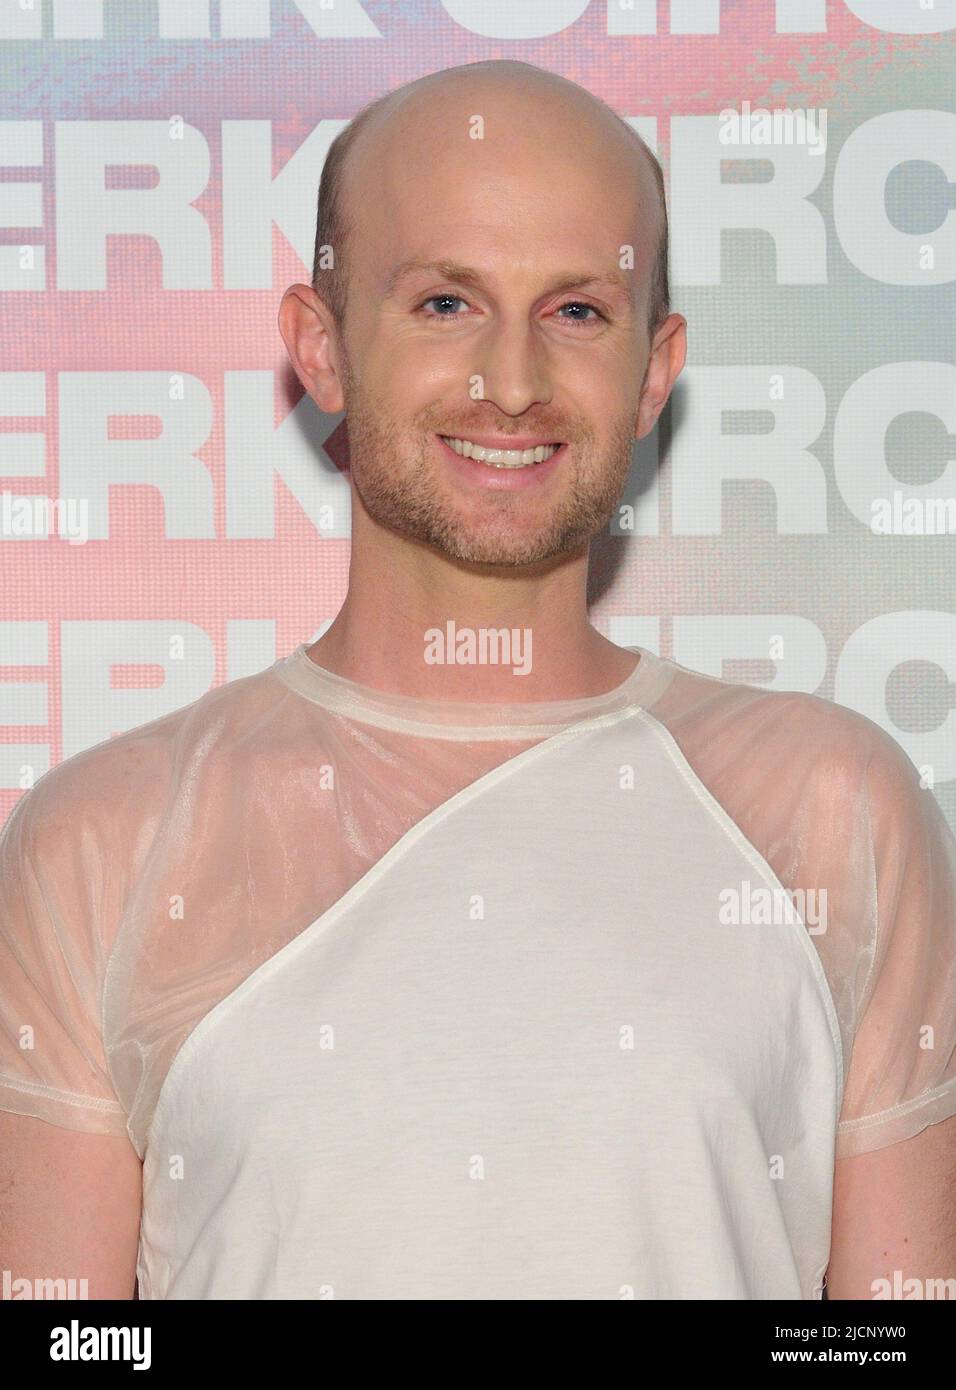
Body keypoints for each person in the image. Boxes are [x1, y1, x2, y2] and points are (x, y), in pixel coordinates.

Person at [1, 59, 954, 1302]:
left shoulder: (833, 809)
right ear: (322, 347)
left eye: (575, 312)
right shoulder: (106, 839)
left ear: (655, 371)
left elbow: (890, 1337)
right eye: (445, 303)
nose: (510, 383)